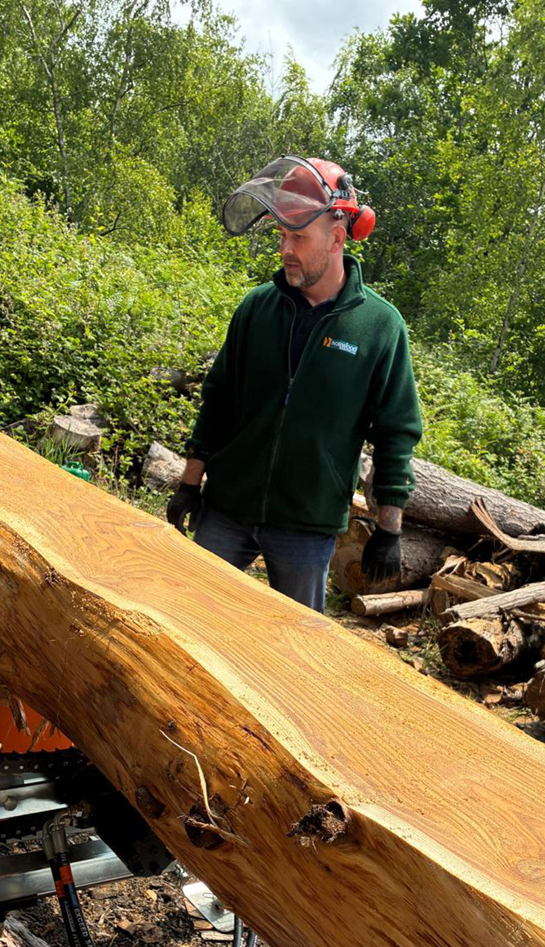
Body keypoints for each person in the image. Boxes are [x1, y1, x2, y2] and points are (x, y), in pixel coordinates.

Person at [166, 155, 422, 613]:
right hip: (227, 508)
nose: (285, 248)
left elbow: (396, 432)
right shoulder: (257, 308)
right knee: (188, 615)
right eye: (282, 235)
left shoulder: (380, 327)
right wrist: (190, 483)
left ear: (337, 238)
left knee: (295, 642)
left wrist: (389, 528)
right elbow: (218, 400)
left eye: (299, 237)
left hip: (308, 525)